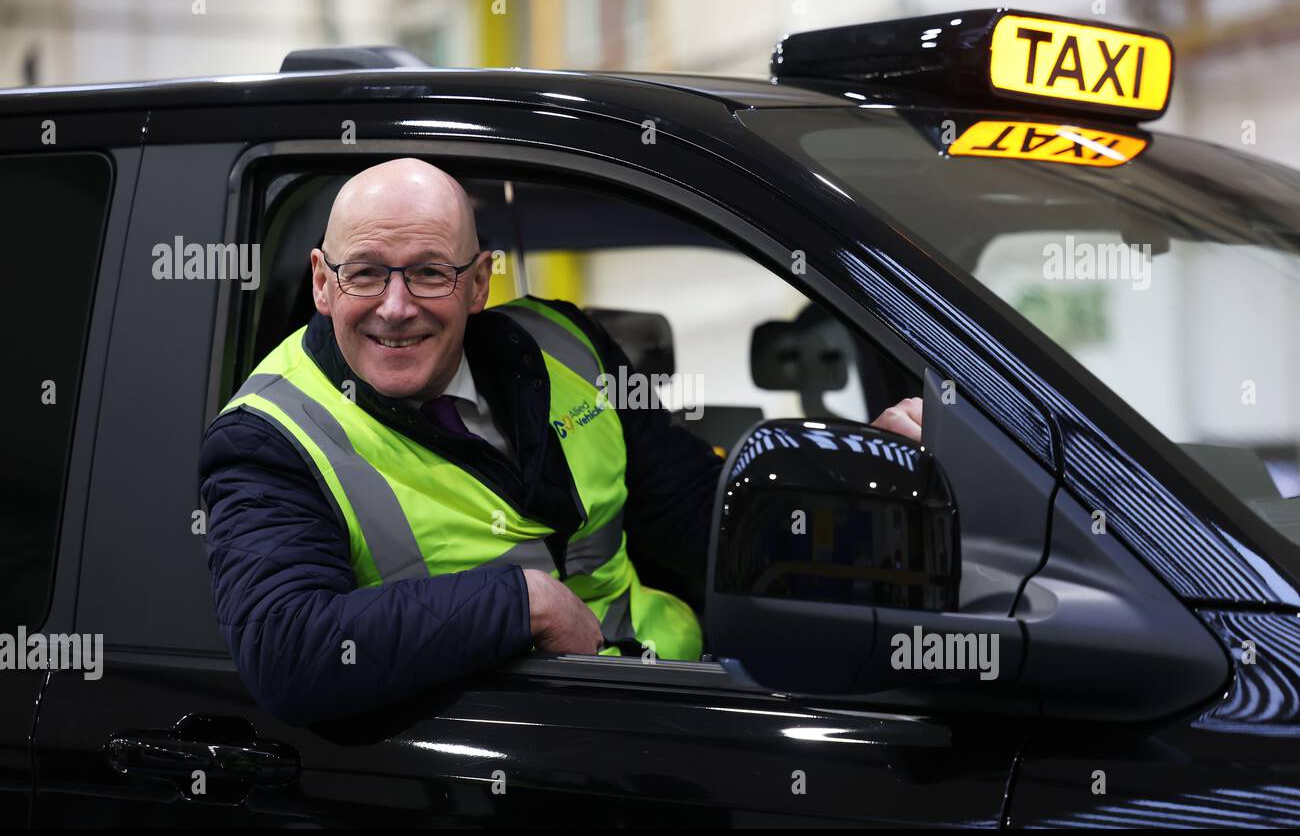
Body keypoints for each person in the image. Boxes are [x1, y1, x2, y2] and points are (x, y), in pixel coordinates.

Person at [198, 158, 923, 725]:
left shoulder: (568, 348)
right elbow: (287, 649)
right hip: (488, 768)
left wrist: (854, 485)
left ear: (479, 283)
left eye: (428, 273)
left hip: (674, 706)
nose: (395, 306)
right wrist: (525, 604)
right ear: (324, 283)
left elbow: (705, 521)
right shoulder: (270, 437)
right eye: (365, 274)